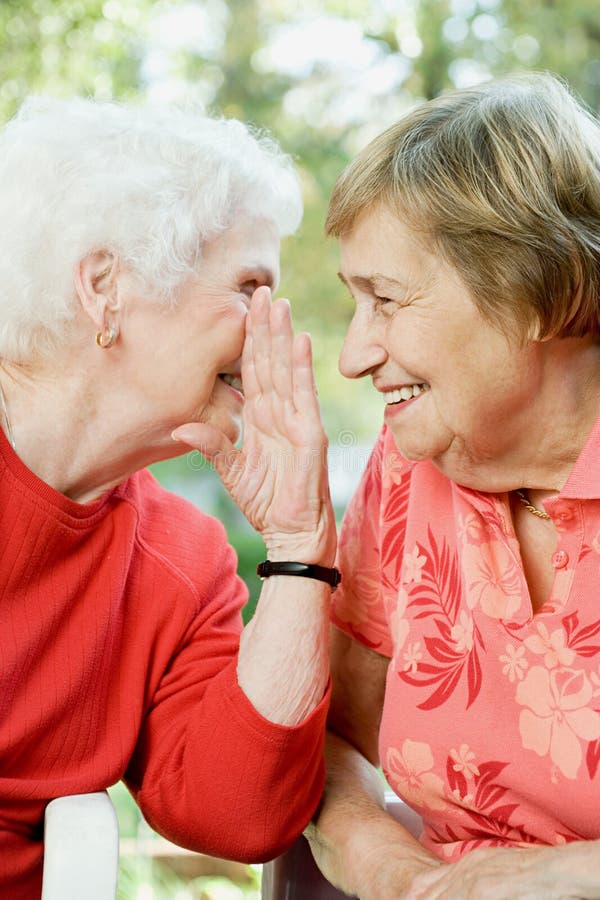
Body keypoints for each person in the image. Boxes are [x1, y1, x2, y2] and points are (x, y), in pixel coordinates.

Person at [0, 97, 338, 899]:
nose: (274, 333)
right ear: (105, 287)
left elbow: (239, 816)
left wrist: (299, 548)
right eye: (249, 287)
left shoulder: (181, 559)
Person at [306, 72, 600, 898]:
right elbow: (326, 741)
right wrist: (397, 872)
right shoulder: (407, 470)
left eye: (387, 300)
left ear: (547, 288)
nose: (354, 355)